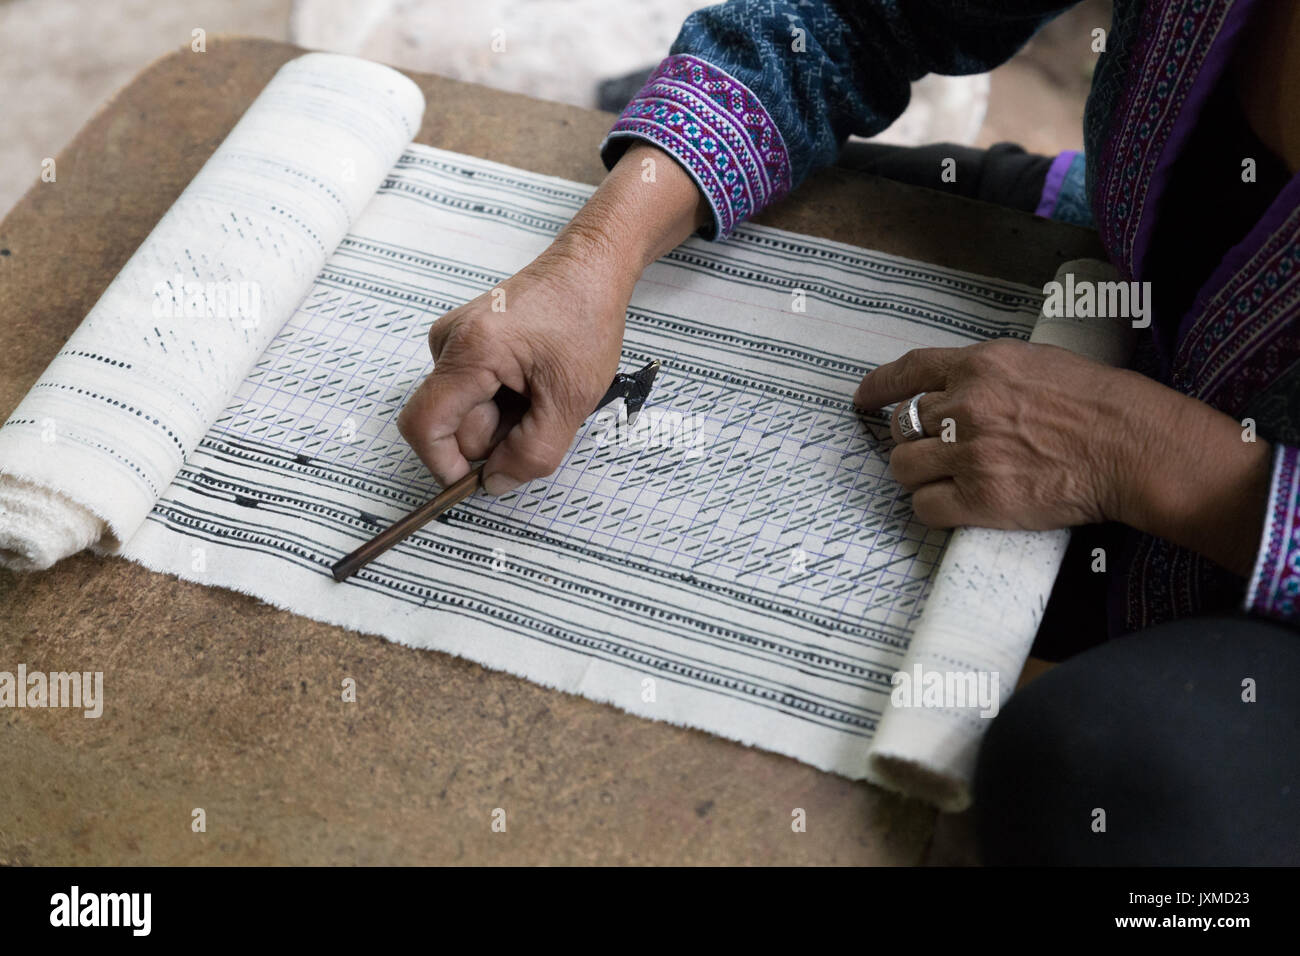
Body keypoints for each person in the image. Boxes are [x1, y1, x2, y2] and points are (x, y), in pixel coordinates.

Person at [397, 0, 1300, 864]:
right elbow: (860, 15)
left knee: (1114, 788)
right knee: (714, 185)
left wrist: (1155, 460)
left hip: (1250, 553)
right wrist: (595, 257)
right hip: (1127, 252)